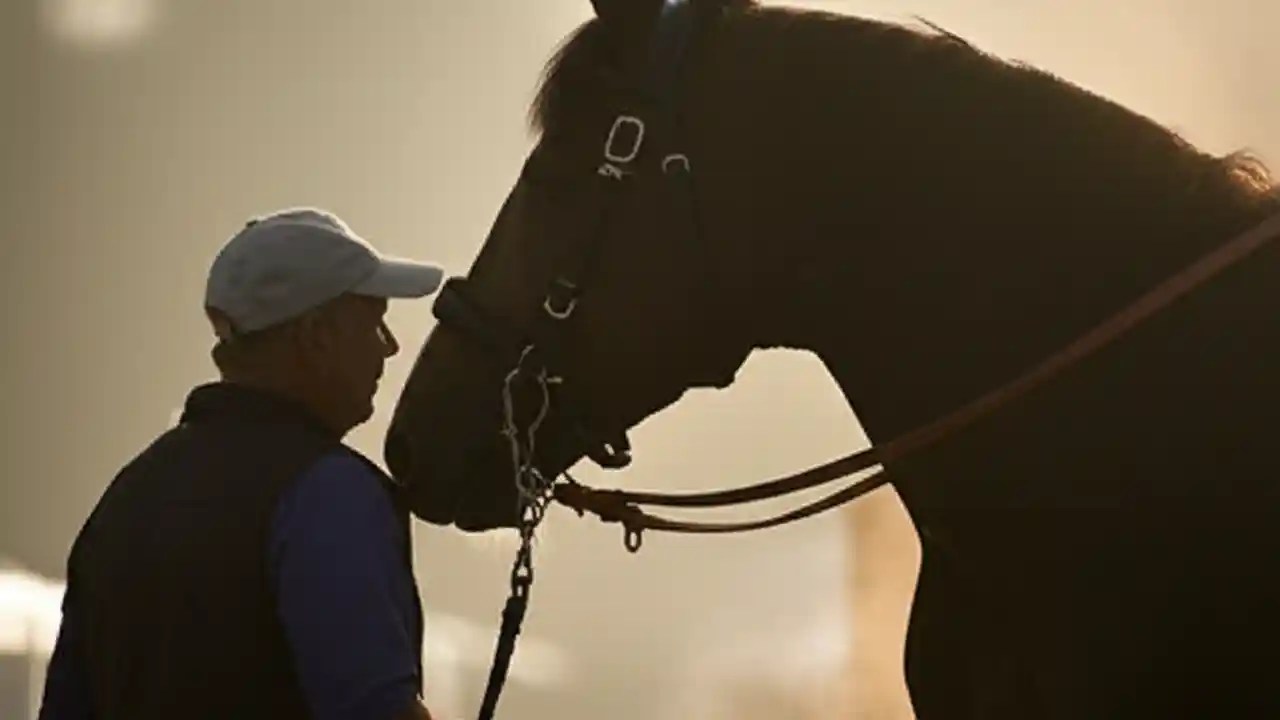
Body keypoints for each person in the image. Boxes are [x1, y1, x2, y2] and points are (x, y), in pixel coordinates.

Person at [38, 208, 444, 720]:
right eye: (373, 322)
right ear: (317, 336)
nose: (389, 347)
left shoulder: (129, 495)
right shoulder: (330, 494)